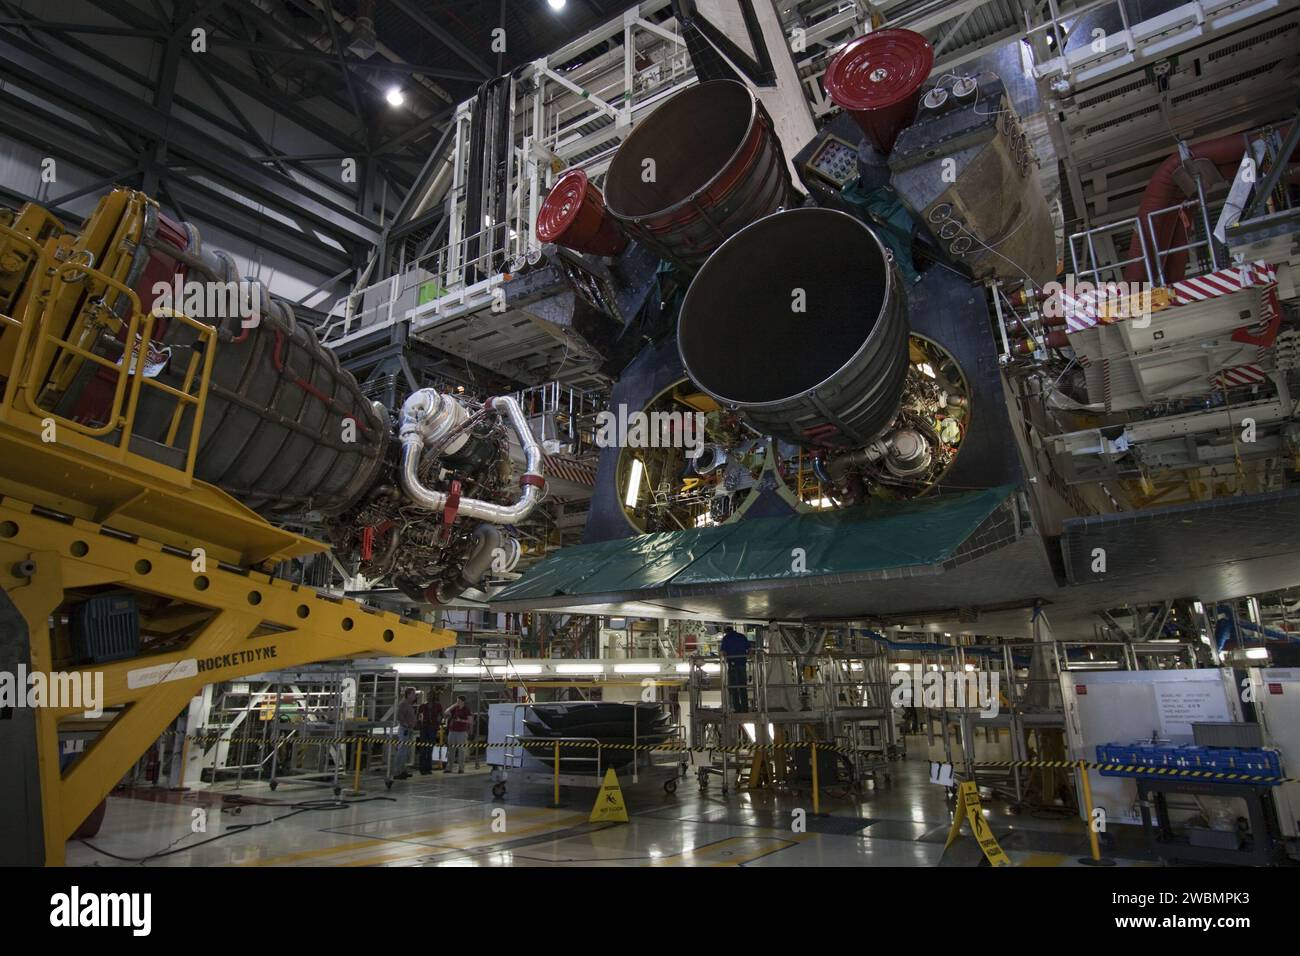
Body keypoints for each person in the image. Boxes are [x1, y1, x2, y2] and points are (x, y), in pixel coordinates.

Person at [719, 627, 752, 712]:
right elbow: (749, 650)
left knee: (734, 687)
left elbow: (723, 652)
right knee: (742, 686)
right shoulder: (742, 636)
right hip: (742, 664)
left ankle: (737, 708)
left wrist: (725, 659)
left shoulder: (726, 638)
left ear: (726, 632)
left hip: (732, 665)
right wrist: (746, 657)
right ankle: (745, 708)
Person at [393, 687, 418, 779]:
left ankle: (402, 770)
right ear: (408, 694)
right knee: (402, 751)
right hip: (405, 730)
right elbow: (399, 716)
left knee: (406, 751)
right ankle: (397, 771)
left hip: (408, 729)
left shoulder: (408, 704)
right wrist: (406, 724)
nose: (414, 696)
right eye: (413, 694)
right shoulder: (403, 704)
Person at [417, 692, 444, 774]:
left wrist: (438, 723)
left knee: (430, 749)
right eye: (428, 696)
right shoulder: (422, 706)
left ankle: (428, 768)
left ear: (433, 697)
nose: (429, 697)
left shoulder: (438, 706)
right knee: (423, 749)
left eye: (431, 696)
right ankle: (422, 768)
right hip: (424, 728)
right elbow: (419, 716)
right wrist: (420, 724)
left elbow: (440, 715)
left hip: (432, 728)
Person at [445, 695, 473, 773]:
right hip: (452, 731)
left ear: (463, 702)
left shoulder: (466, 710)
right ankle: (449, 767)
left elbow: (470, 721)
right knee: (451, 749)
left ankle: (461, 768)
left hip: (462, 732)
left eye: (459, 701)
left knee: (461, 750)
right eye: (457, 701)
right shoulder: (455, 709)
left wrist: (461, 720)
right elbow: (446, 712)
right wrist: (453, 706)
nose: (457, 702)